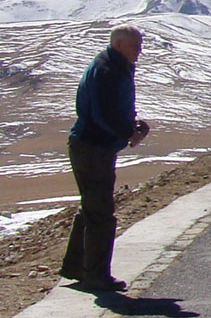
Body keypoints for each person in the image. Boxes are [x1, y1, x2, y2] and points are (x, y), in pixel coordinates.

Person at [61, 25, 150, 293]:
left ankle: (76, 266)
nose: (140, 51)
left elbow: (111, 108)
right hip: (92, 146)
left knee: (92, 206)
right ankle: (96, 276)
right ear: (120, 44)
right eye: (136, 46)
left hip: (92, 145)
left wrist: (130, 126)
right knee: (100, 213)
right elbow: (102, 112)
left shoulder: (114, 66)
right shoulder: (107, 70)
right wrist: (127, 133)